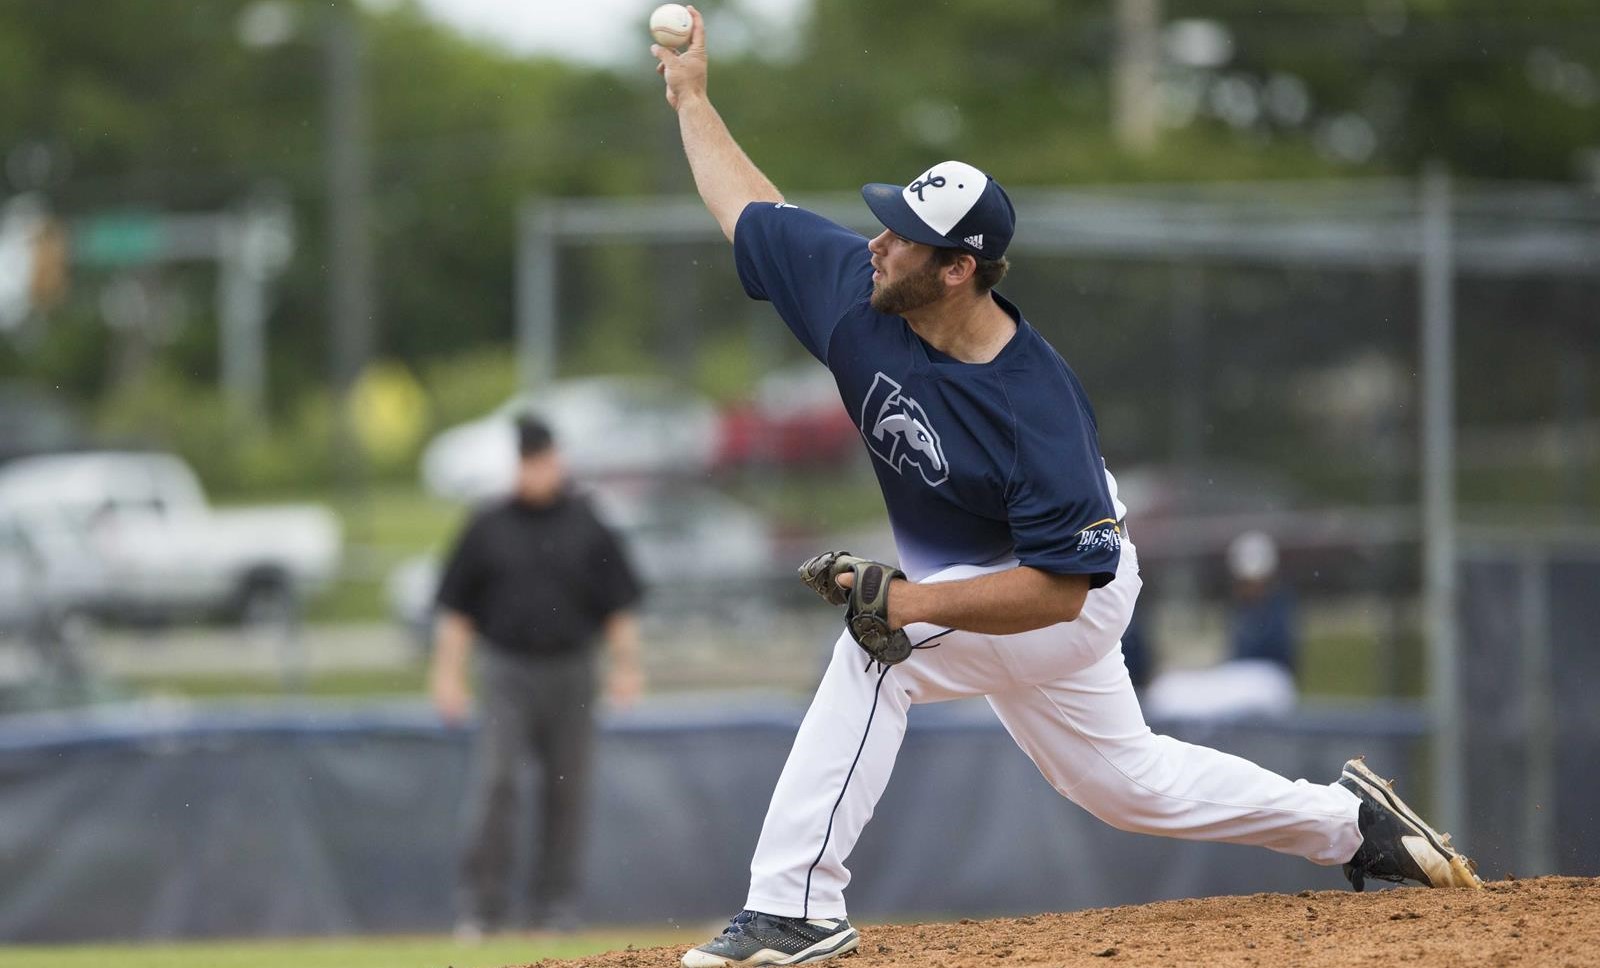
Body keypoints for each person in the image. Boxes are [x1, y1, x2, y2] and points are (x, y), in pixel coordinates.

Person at [652, 10, 1480, 968]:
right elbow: (749, 212)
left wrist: (909, 603)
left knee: (882, 648)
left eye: (905, 236)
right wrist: (693, 99)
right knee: (1125, 785)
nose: (879, 241)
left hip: (1062, 589)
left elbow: (1060, 587)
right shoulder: (860, 294)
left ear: (958, 269)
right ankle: (1354, 827)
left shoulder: (1033, 404)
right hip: (992, 582)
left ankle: (795, 906)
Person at [429, 415, 644, 938]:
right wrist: (448, 677)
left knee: (567, 792)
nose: (537, 472)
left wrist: (627, 668)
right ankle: (483, 910)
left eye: (544, 460)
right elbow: (457, 609)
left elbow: (618, 605)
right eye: (528, 462)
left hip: (572, 668)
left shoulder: (588, 522)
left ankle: (555, 907)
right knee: (497, 785)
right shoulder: (487, 525)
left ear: (558, 460)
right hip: (506, 670)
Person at [1144, 530, 1300, 719]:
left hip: (1265, 680)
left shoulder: (1277, 609)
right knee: (1169, 688)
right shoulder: (1240, 609)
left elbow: (1277, 662)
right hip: (1240, 677)